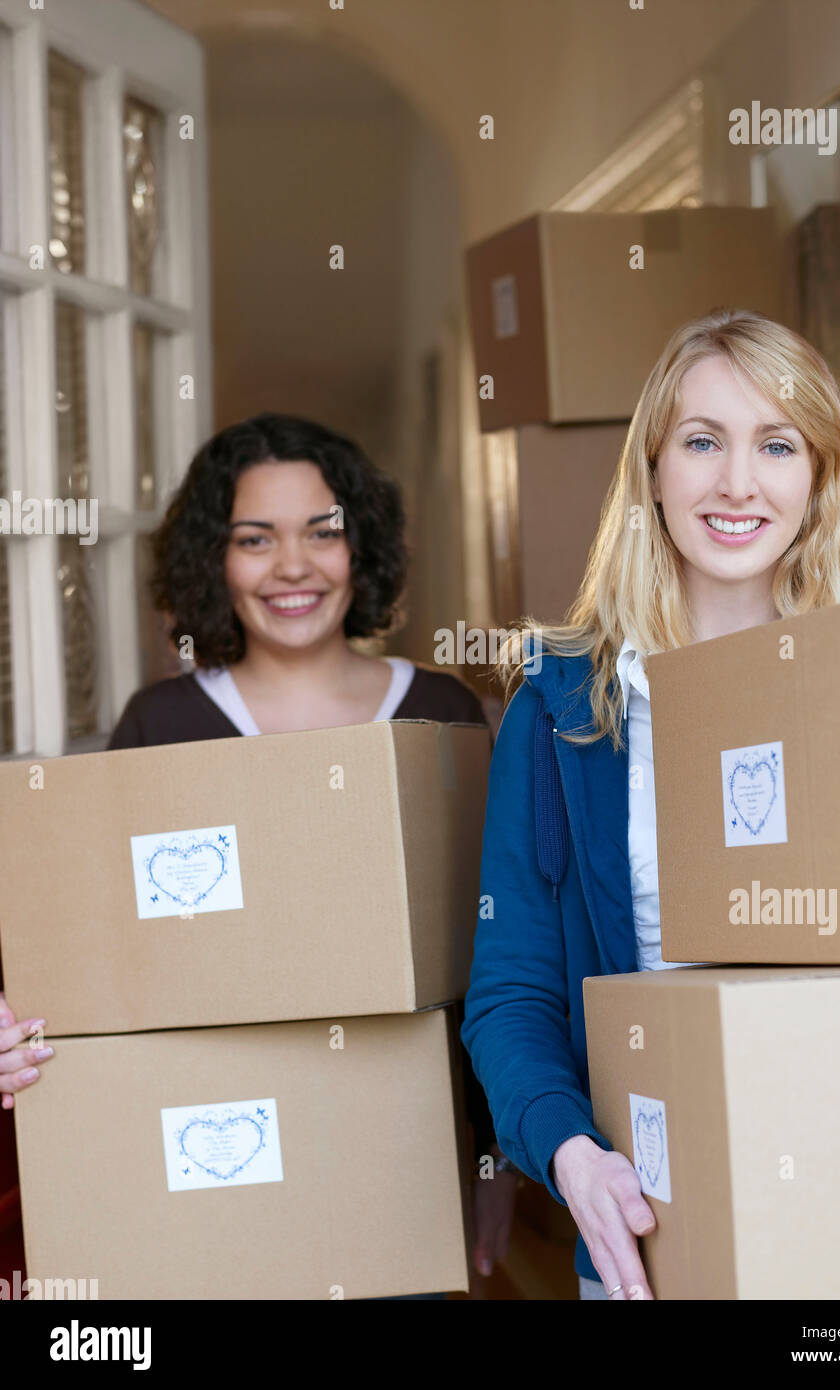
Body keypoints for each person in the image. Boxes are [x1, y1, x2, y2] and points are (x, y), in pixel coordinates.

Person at [1, 412, 516, 1295]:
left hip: (405, 1158)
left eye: (324, 532)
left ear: (364, 548)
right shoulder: (160, 725)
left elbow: (500, 950)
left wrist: (498, 1156)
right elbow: (95, 954)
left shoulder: (445, 714)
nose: (292, 566)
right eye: (255, 538)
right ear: (216, 560)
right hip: (218, 1152)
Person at [461, 309, 840, 1300]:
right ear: (652, 470)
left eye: (775, 444)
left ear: (820, 477)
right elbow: (510, 994)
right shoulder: (564, 708)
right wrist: (570, 1154)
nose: (736, 482)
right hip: (655, 1228)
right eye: (702, 441)